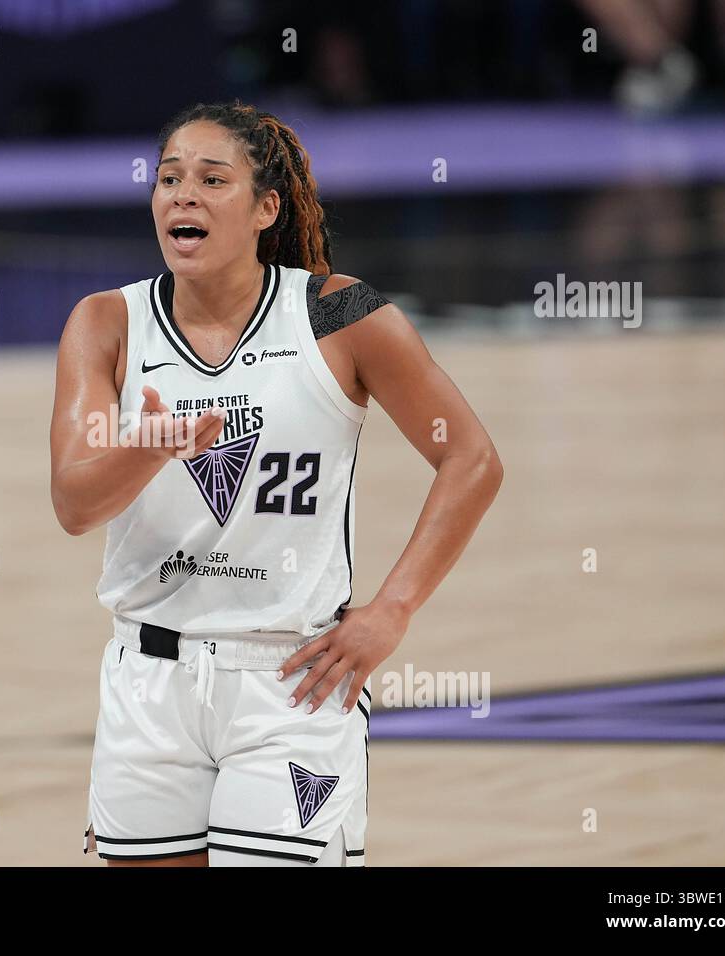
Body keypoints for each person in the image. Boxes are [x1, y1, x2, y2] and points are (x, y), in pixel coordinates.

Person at [50, 101, 503, 866]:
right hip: (148, 682)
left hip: (290, 681)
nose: (182, 196)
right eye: (169, 179)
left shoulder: (339, 313)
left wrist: (392, 610)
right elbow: (73, 502)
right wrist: (147, 449)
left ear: (266, 207)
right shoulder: (105, 323)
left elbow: (472, 459)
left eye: (211, 179)